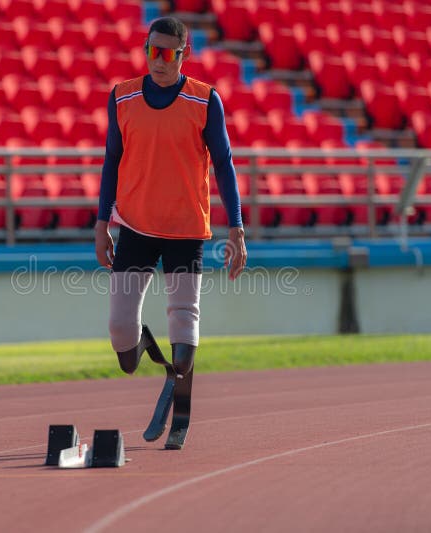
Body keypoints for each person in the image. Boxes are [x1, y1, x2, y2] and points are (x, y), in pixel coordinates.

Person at [94, 16, 247, 445]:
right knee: (121, 337)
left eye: (167, 53)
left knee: (184, 319)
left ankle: (180, 419)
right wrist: (102, 221)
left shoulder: (205, 101)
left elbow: (224, 166)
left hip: (186, 228)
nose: (157, 60)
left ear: (184, 54)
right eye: (151, 50)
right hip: (136, 226)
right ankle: (150, 354)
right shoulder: (122, 97)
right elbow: (111, 162)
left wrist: (236, 228)